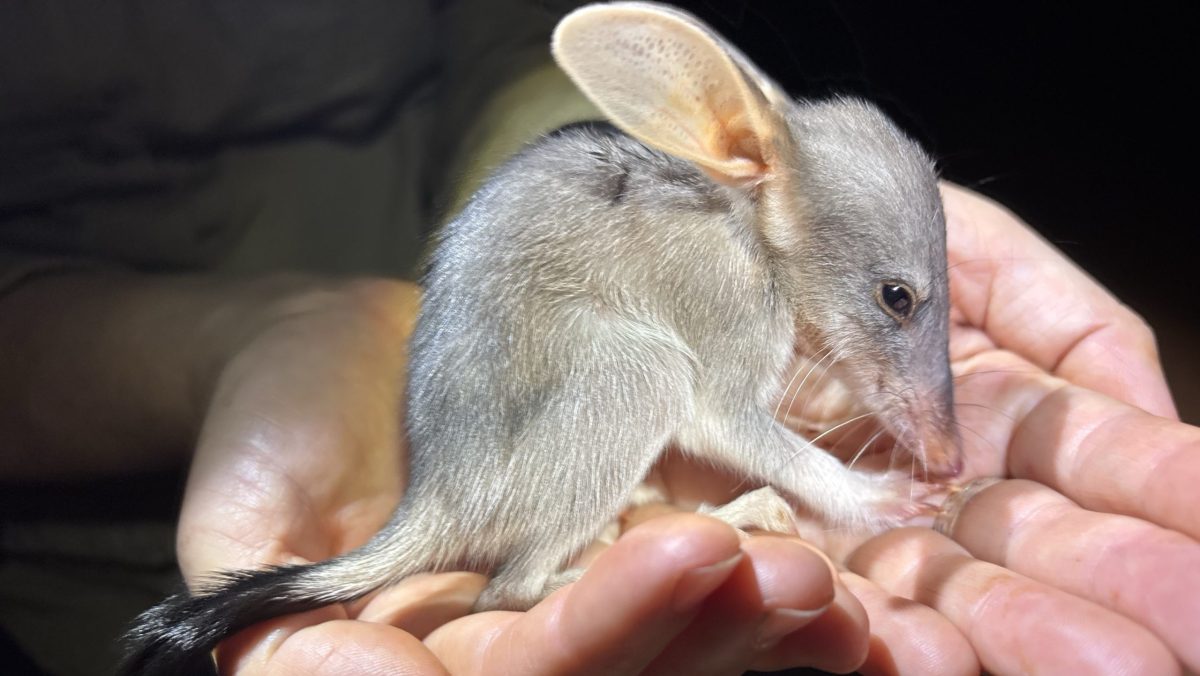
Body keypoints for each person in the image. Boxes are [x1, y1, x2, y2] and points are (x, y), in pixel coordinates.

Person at [1, 2, 1196, 675]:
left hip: (494, 330)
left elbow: (510, 43)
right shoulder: (737, 260)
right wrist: (853, 492)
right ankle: (532, 568)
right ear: (751, 170)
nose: (916, 357)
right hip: (136, 464)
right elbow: (723, 415)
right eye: (895, 305)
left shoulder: (751, 216)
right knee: (648, 370)